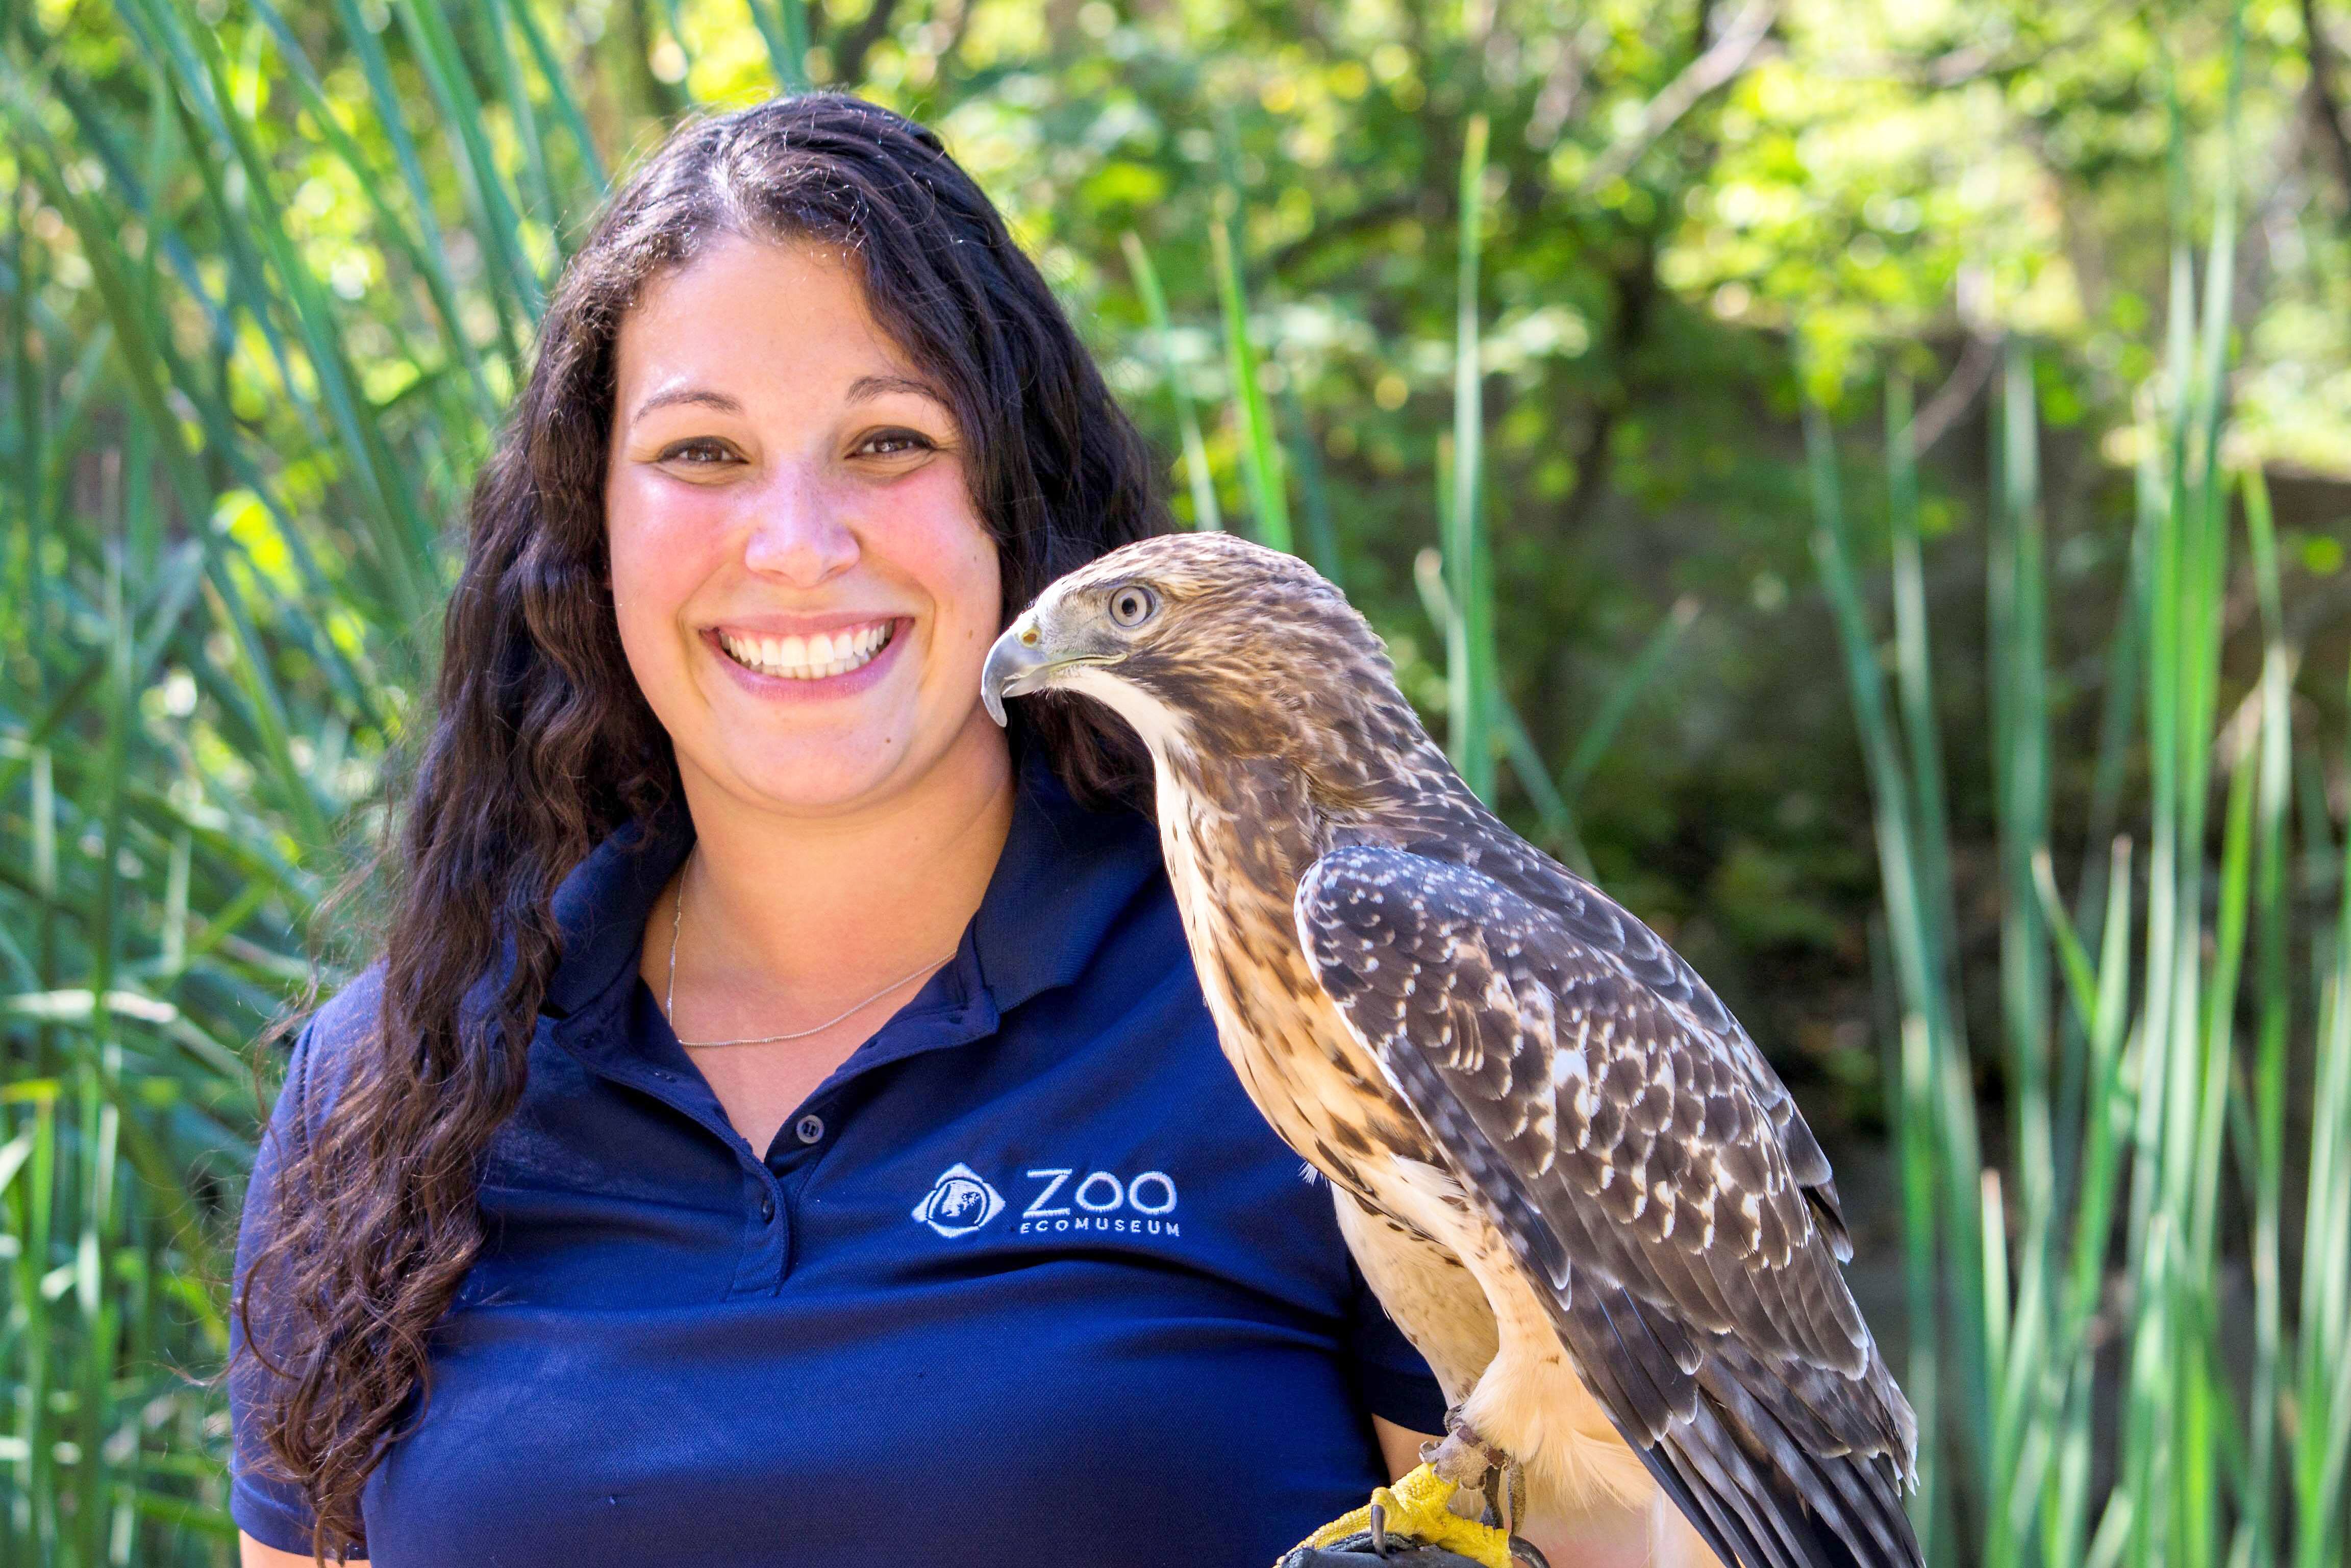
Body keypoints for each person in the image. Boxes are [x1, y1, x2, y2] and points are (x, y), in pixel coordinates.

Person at [225, 92, 1478, 1568]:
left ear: (1020, 502)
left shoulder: (1325, 1020)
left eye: (889, 440)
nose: (801, 546)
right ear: (589, 528)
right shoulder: (396, 1086)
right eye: (702, 454)